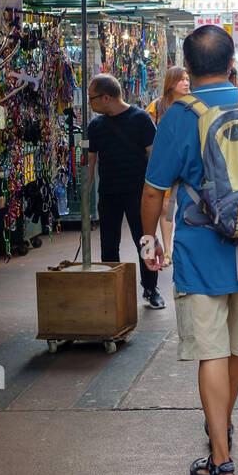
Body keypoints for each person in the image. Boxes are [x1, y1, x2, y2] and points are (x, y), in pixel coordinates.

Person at [141, 26, 238, 475]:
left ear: (187, 68)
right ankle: (221, 427)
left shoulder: (178, 117)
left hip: (198, 249)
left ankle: (221, 460)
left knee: (211, 352)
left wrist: (150, 239)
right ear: (232, 64)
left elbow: (154, 190)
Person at [86, 74, 163, 308]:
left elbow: (154, 156)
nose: (89, 103)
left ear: (106, 97)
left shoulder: (140, 119)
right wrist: (85, 194)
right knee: (109, 244)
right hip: (109, 193)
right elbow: (90, 163)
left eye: (92, 98)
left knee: (146, 239)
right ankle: (113, 289)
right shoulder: (95, 126)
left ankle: (151, 288)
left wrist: (157, 193)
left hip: (139, 194)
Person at [145, 66, 190, 266]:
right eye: (181, 79)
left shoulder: (191, 106)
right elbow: (146, 132)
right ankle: (164, 247)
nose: (186, 83)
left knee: (169, 207)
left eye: (188, 79)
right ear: (171, 82)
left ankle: (169, 248)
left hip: (182, 164)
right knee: (162, 206)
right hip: (161, 164)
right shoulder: (156, 107)